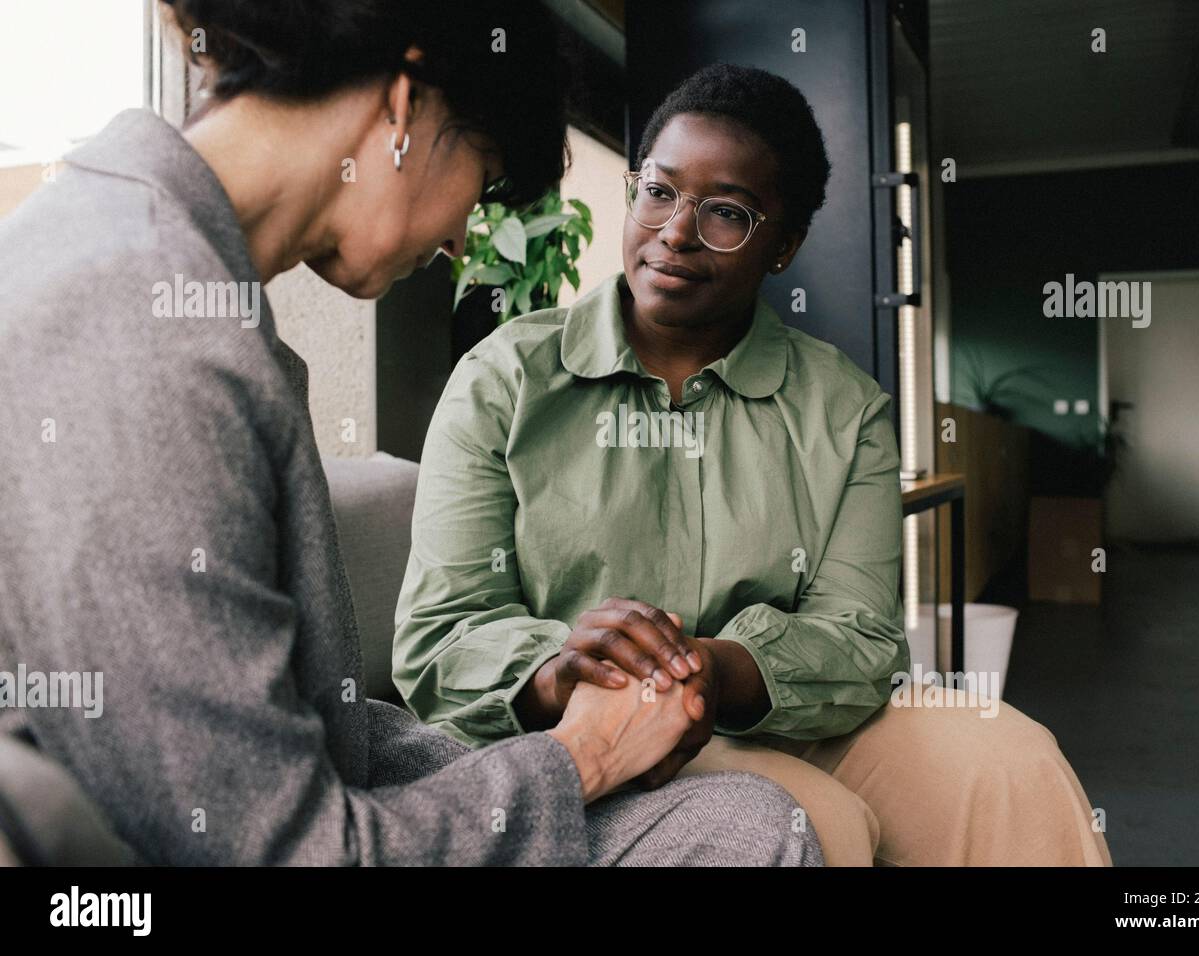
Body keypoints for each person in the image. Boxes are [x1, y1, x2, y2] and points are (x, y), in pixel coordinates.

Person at [0, 3, 822, 867]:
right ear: (405, 104)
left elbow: (312, 725)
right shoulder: (139, 324)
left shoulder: (191, 284)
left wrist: (530, 753)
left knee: (748, 824)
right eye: (484, 172)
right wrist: (584, 756)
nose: (462, 240)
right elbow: (274, 848)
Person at [394, 63, 1113, 867]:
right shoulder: (504, 380)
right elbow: (441, 635)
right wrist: (562, 671)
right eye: (658, 192)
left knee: (1014, 762)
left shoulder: (847, 411)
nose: (674, 232)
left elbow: (866, 639)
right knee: (813, 819)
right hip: (580, 734)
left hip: (778, 717)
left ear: (785, 245)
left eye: (728, 213)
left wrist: (715, 668)